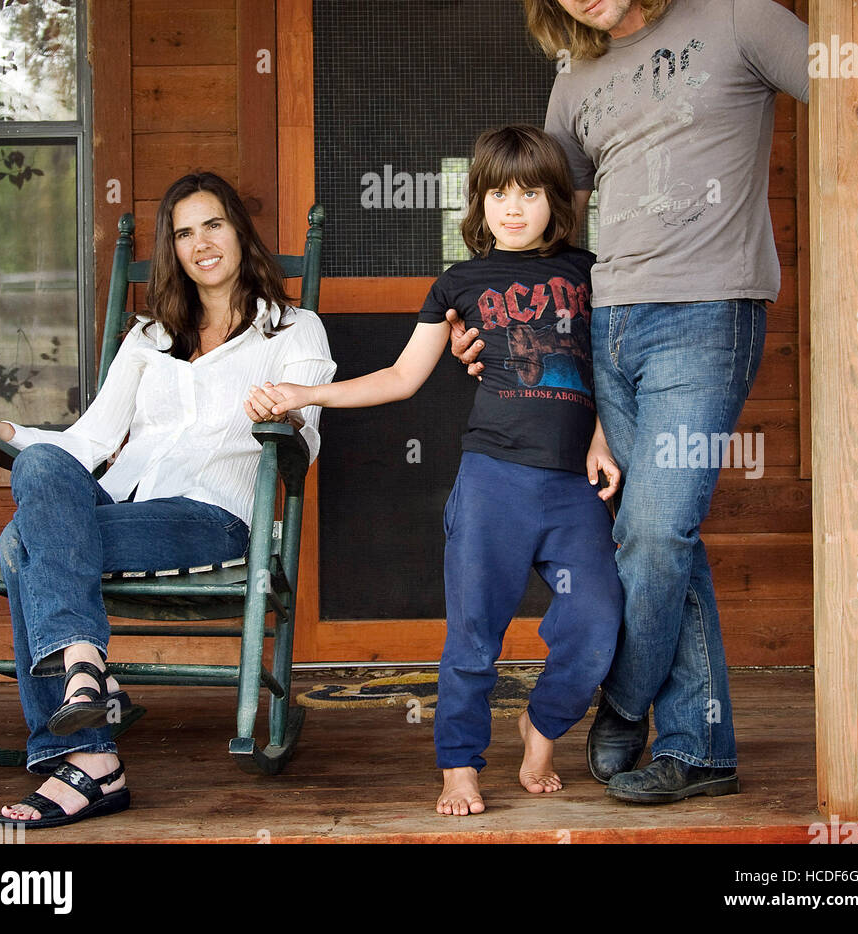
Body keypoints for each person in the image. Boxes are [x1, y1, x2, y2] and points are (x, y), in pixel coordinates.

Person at [448, 0, 858, 805]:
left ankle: (621, 701)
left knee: (654, 531)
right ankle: (697, 745)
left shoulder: (739, 22)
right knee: (664, 535)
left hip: (706, 313)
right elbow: (543, 219)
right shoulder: (577, 77)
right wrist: (495, 326)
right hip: (603, 324)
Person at [0, 171, 334, 829]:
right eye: (183, 233)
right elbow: (89, 441)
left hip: (209, 516)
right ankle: (88, 678)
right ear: (171, 249)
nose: (201, 243)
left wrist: (284, 416)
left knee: (18, 542)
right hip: (120, 506)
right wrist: (8, 431)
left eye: (214, 224)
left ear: (239, 231)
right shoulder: (148, 338)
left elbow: (304, 443)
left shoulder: (293, 331)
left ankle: (85, 747)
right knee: (38, 463)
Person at [250, 124, 623, 817]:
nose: (514, 209)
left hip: (573, 484)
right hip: (494, 483)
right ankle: (458, 765)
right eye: (498, 194)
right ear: (476, 204)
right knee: (474, 634)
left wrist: (602, 438)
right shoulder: (460, 282)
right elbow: (400, 376)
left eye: (531, 194)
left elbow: (609, 373)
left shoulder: (589, 272)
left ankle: (541, 726)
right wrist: (306, 394)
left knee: (598, 616)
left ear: (558, 203)